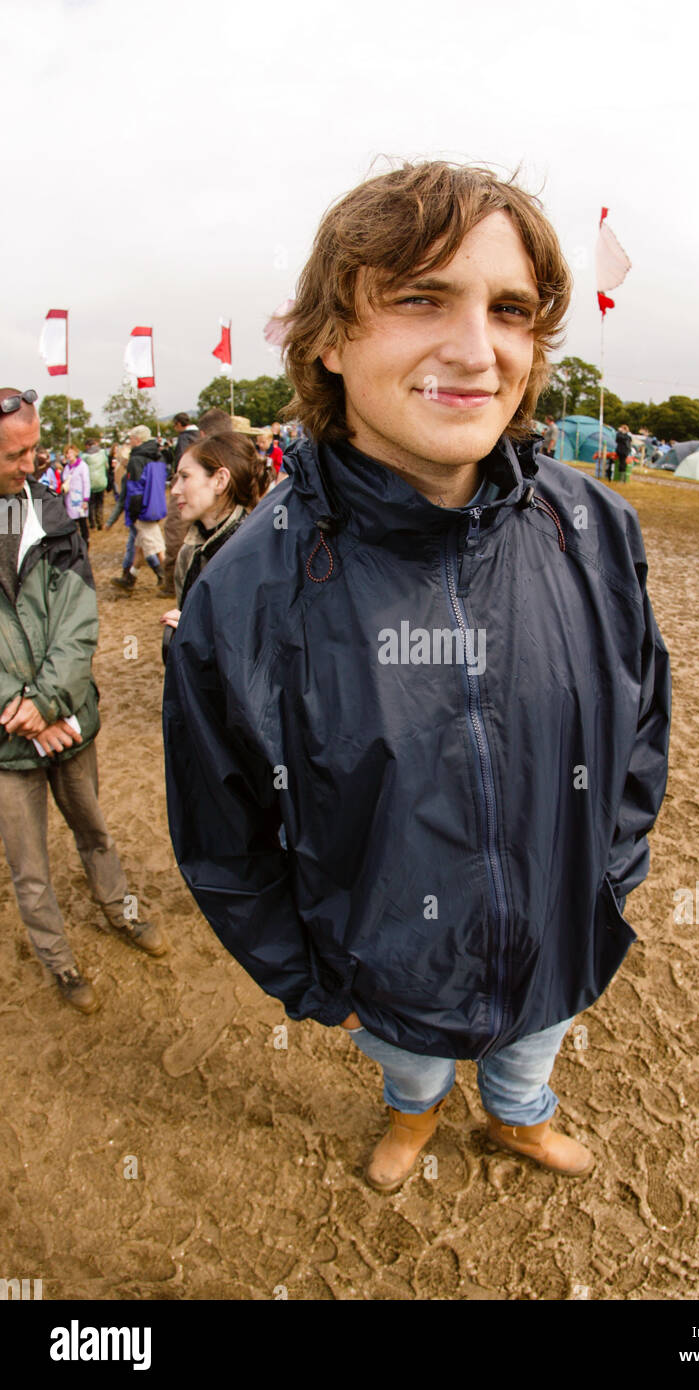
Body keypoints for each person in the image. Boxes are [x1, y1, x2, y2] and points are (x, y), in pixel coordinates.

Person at [163, 161, 671, 1192]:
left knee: (532, 1056)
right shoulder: (246, 588)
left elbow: (641, 722)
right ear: (329, 339)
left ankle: (520, 1117)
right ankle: (416, 1111)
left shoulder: (595, 528)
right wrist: (307, 978)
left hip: (558, 941)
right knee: (412, 1065)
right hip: (383, 972)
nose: (477, 350)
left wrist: (607, 880)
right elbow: (222, 833)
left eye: (512, 309)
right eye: (421, 298)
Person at [0, 388, 166, 1014]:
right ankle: (60, 963)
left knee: (94, 830)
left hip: (67, 718)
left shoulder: (49, 511)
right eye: (16, 454)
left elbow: (79, 615)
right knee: (29, 865)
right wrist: (20, 713)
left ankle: (121, 911)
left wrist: (51, 705)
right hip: (8, 736)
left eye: (35, 447)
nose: (32, 463)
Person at [160, 430, 266, 663]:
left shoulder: (260, 552)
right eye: (175, 478)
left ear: (220, 480)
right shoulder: (190, 552)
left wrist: (200, 632)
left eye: (185, 477)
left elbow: (267, 648)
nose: (175, 489)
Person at [111, 426, 166, 590]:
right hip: (155, 506)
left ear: (138, 439)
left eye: (131, 438)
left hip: (143, 511)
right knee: (140, 546)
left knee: (155, 547)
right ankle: (130, 578)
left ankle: (170, 580)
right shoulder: (158, 456)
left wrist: (133, 514)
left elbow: (135, 490)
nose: (129, 442)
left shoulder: (136, 460)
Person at [159, 413, 201, 599]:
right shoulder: (199, 436)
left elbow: (183, 466)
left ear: (178, 424)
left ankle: (170, 583)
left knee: (175, 534)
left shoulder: (185, 440)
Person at [61, 444, 90, 544]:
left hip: (80, 499)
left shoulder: (82, 466)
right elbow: (64, 480)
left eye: (70, 453)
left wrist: (85, 500)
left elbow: (86, 483)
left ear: (75, 453)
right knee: (73, 523)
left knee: (82, 523)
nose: (69, 455)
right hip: (70, 499)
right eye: (67, 453)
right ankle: (76, 543)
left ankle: (85, 542)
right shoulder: (67, 468)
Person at [83, 438, 109, 530]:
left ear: (87, 446)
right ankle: (100, 522)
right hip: (101, 482)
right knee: (100, 503)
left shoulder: (84, 456)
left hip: (90, 483)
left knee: (91, 504)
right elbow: (107, 466)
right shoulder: (102, 453)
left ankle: (92, 524)